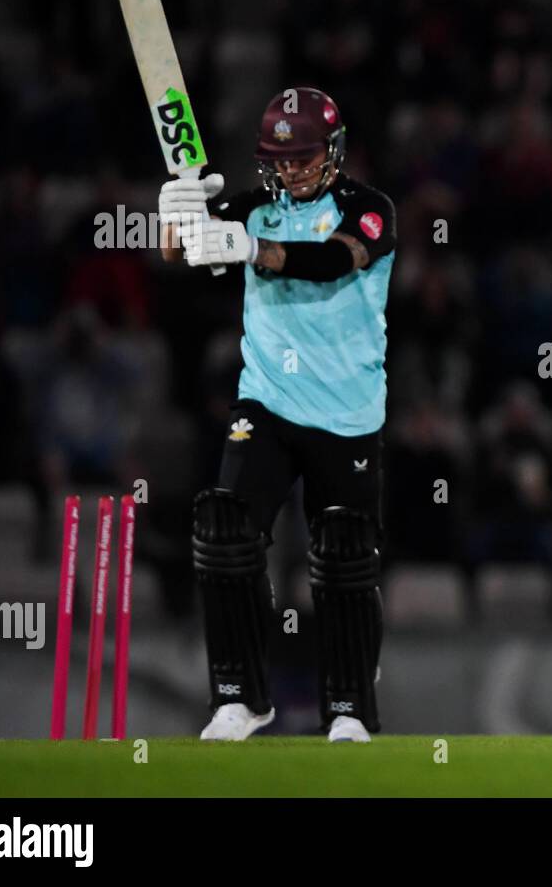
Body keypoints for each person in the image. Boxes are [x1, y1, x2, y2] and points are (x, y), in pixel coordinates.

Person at [157, 87, 396, 742]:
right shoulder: (253, 208)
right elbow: (178, 255)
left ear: (333, 151)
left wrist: (250, 248)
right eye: (280, 159)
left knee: (345, 552)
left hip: (347, 412)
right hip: (267, 400)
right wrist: (175, 216)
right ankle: (239, 697)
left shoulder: (369, 209)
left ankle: (349, 706)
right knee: (224, 529)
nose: (291, 170)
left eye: (304, 157)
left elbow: (333, 261)